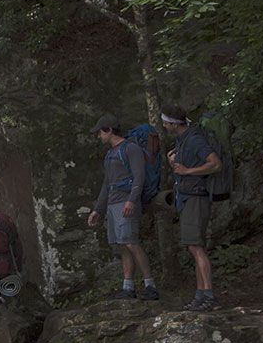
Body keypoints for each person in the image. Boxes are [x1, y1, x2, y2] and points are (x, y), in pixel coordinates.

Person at [88, 115, 158, 300]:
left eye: (100, 132)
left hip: (126, 202)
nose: (98, 137)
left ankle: (150, 284)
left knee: (131, 242)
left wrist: (132, 200)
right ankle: (128, 287)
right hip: (113, 203)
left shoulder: (131, 148)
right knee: (123, 245)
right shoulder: (110, 154)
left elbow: (139, 176)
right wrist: (98, 209)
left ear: (109, 130)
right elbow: (106, 184)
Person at [162, 107, 223, 311]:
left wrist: (188, 171)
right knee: (194, 246)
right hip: (188, 197)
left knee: (196, 247)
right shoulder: (183, 139)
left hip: (196, 197)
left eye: (165, 122)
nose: (164, 126)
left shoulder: (195, 139)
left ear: (174, 123)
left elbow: (215, 164)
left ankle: (208, 296)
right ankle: (200, 295)